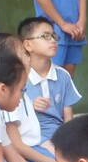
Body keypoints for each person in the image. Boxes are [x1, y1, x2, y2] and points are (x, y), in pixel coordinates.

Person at [19, 14, 82, 143]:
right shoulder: (18, 76)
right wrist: (30, 105)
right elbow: (10, 115)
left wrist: (69, 141)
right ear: (28, 45)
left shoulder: (63, 75)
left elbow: (67, 115)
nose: (53, 40)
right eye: (45, 36)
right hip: (28, 137)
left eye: (54, 36)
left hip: (58, 137)